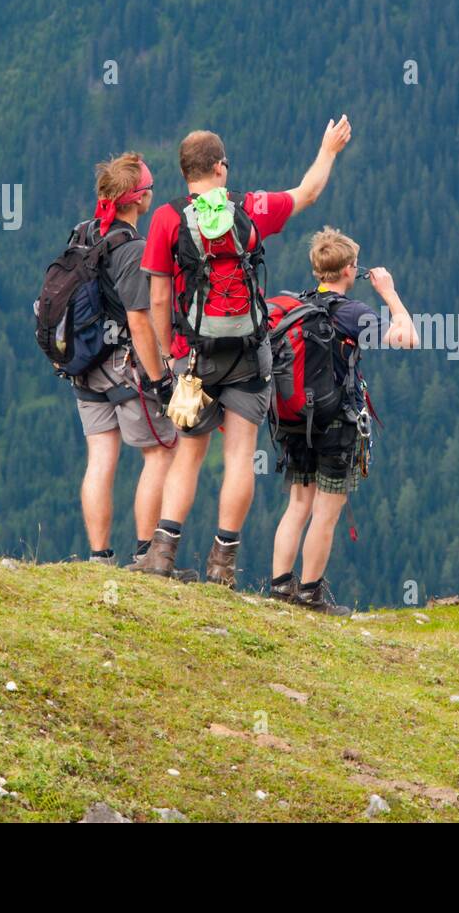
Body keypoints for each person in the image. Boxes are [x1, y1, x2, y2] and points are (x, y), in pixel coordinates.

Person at [130, 117, 353, 583]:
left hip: (195, 356)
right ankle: (222, 565)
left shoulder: (168, 218)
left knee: (189, 452)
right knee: (239, 455)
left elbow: (155, 297)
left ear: (186, 171)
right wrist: (328, 149)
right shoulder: (249, 208)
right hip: (250, 354)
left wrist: (168, 355)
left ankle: (162, 555)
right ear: (220, 167)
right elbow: (307, 192)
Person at [269, 227, 418, 614]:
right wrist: (389, 294)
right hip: (337, 422)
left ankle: (281, 587)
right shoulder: (352, 312)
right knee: (327, 512)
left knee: (298, 505)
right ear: (350, 270)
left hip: (295, 420)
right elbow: (408, 338)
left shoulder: (296, 306)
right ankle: (310, 595)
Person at [72, 153, 176, 566]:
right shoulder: (132, 247)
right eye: (148, 187)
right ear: (138, 199)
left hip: (83, 364)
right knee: (160, 451)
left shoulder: (83, 233)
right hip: (122, 364)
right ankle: (146, 556)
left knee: (101, 457)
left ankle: (100, 558)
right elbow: (139, 319)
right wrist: (159, 380)